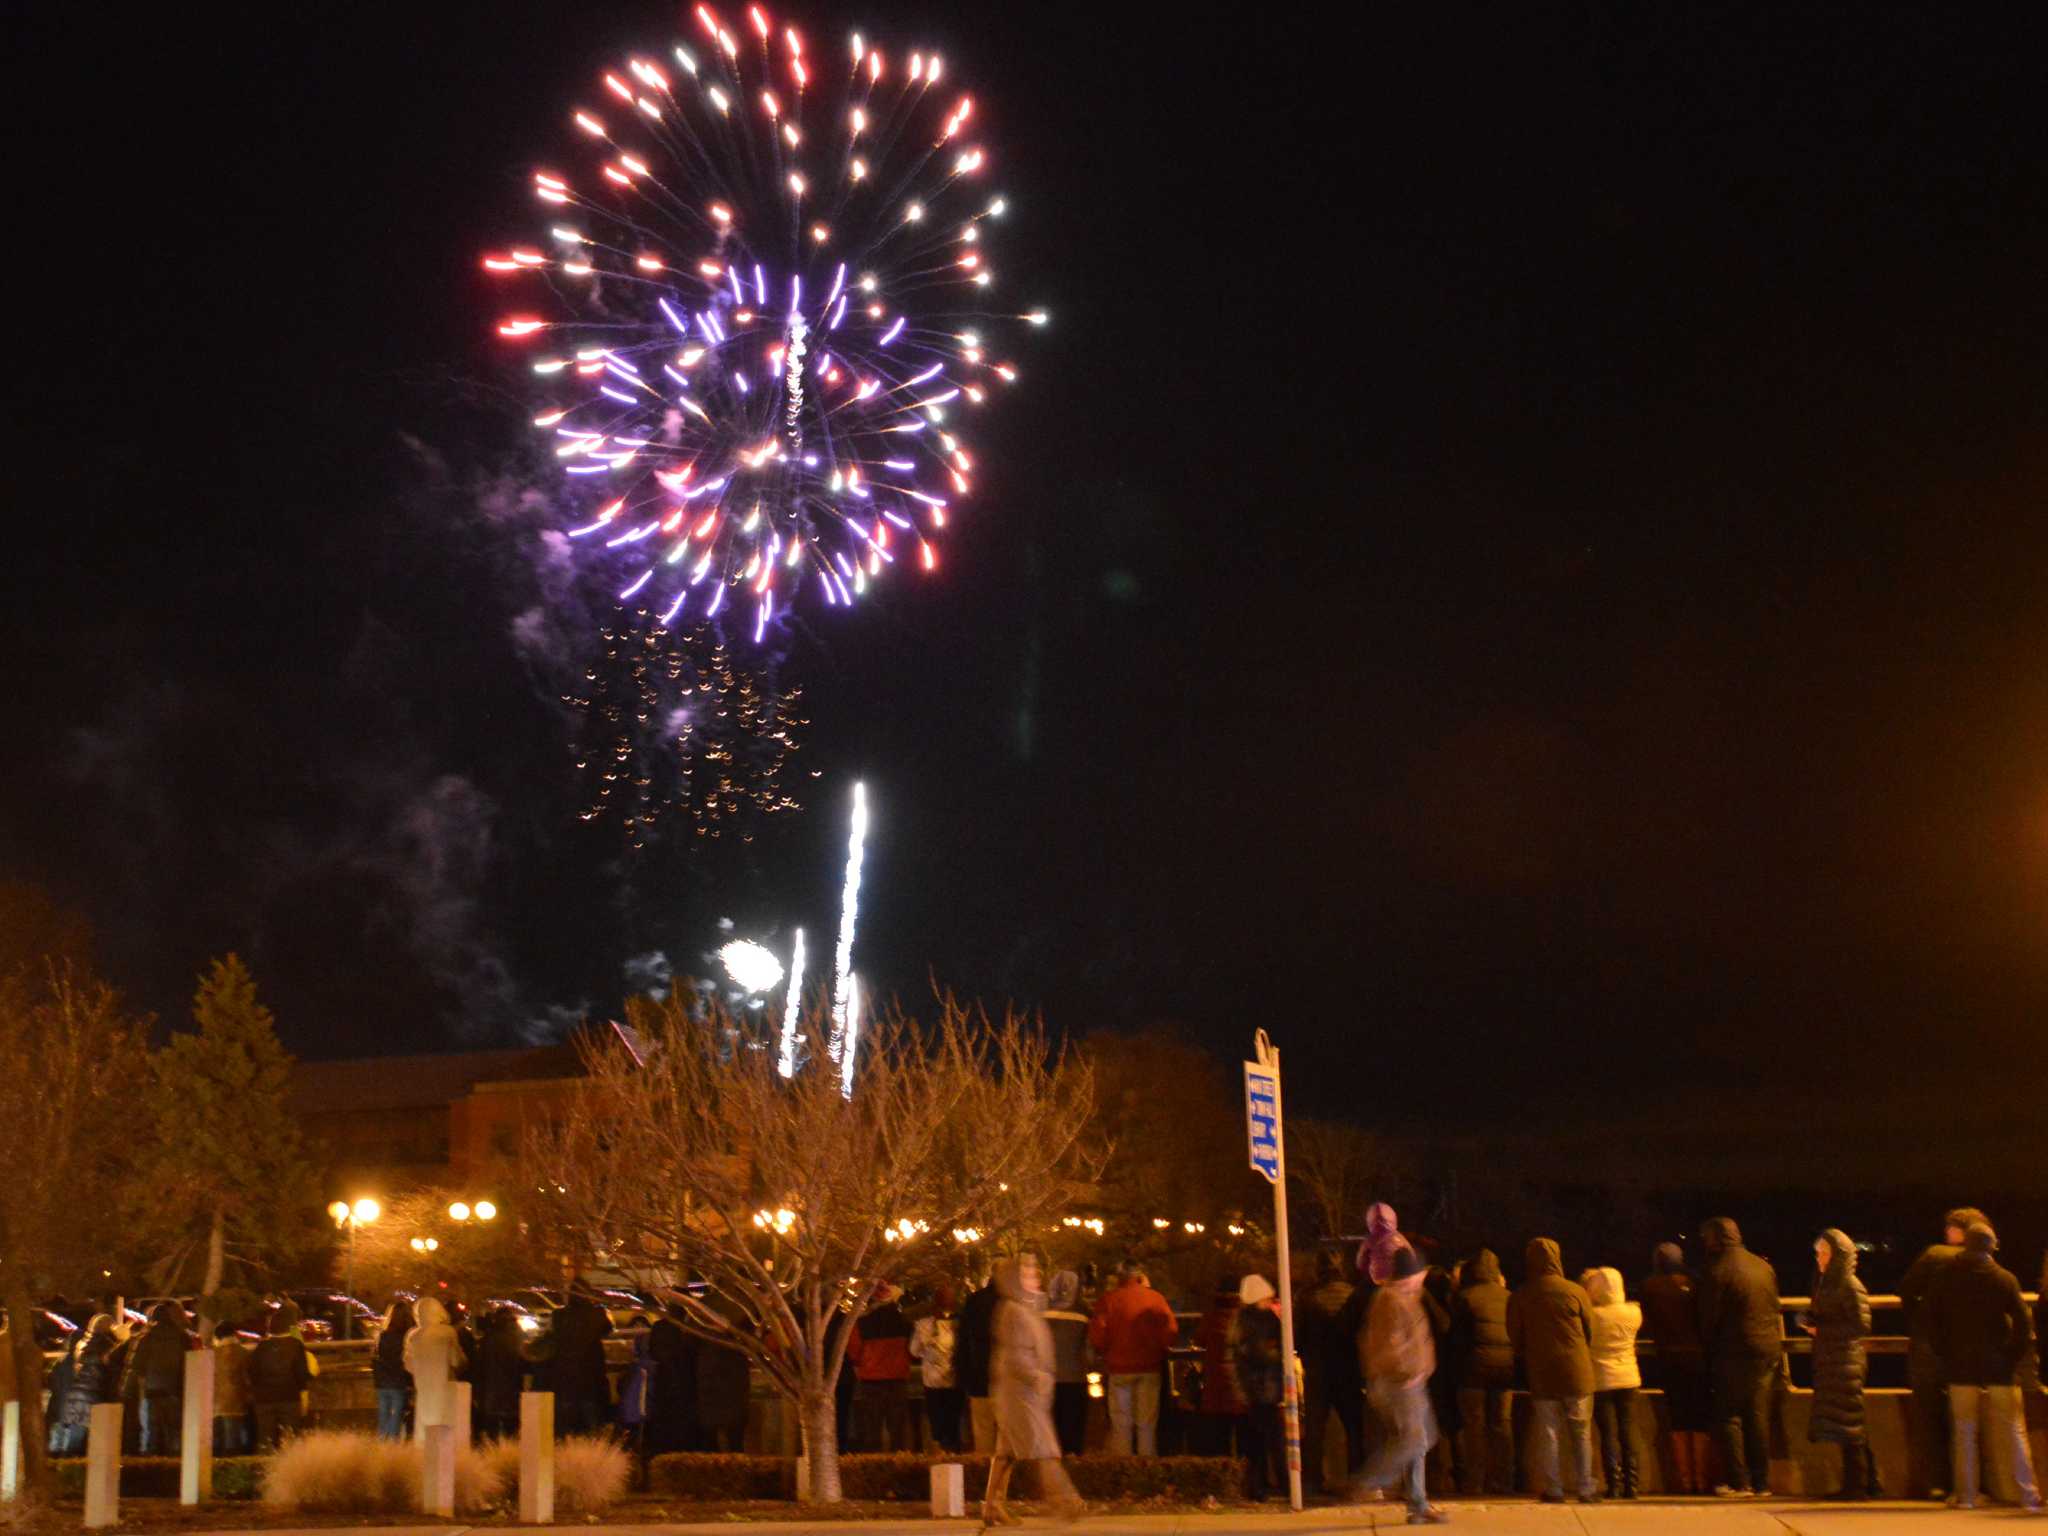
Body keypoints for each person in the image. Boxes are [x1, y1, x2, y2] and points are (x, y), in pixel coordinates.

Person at [1924, 1220, 2040, 1512]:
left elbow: (1931, 1320)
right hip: (2000, 1367)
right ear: (1992, 1248)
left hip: (1960, 1365)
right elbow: (2024, 1327)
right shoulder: (2004, 1279)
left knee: (1964, 1430)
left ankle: (1967, 1497)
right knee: (2014, 1429)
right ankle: (2029, 1496)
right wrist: (2010, 1357)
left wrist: (1945, 1353)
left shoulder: (1945, 1276)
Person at [983, 1255, 1083, 1526]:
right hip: (1019, 1393)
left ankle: (993, 1506)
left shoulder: (1021, 1309)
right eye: (1027, 1274)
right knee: (1044, 1449)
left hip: (1023, 1392)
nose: (1035, 1278)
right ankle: (1065, 1500)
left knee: (1007, 1453)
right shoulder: (1013, 1312)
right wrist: (1038, 1377)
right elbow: (1016, 1356)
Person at [1898, 1205, 1986, 1500]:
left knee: (1929, 1416)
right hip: (1966, 1348)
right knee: (1965, 1417)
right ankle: (1972, 1484)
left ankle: (1937, 1483)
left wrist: (1919, 1319)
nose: (1946, 1231)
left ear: (1960, 1230)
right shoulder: (1983, 1261)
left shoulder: (1935, 1255)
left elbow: (1907, 1289)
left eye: (1950, 1226)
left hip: (1928, 1347)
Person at [1355, 1249, 1450, 1524]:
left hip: (1412, 1380)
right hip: (1400, 1382)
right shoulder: (1390, 1300)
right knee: (1415, 1439)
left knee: (1419, 1440)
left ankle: (1417, 1505)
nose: (1423, 1278)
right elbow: (1389, 1345)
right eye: (1420, 1273)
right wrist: (1408, 1371)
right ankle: (1371, 1481)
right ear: (1411, 1275)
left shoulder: (1406, 1298)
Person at [1508, 1237, 1598, 1504]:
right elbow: (1590, 1331)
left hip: (1542, 1373)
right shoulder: (1575, 1292)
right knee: (1581, 1432)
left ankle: (1554, 1488)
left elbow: (1516, 1338)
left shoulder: (1521, 1296)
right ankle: (1585, 1487)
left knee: (1549, 1432)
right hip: (1577, 1372)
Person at [1695, 1217, 1780, 1499]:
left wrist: (1707, 1349)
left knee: (1729, 1416)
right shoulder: (1763, 1266)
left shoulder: (1717, 1270)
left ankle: (1738, 1481)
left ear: (1714, 1239)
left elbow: (1709, 1318)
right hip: (1767, 1349)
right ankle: (1762, 1482)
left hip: (1732, 1351)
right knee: (1757, 1416)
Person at [1798, 1229, 1880, 1500]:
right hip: (1833, 1360)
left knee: (1850, 1423)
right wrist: (1806, 1319)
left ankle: (1858, 1486)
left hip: (1846, 1360)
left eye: (1824, 1253)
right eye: (1817, 1253)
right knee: (1849, 1422)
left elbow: (1860, 1325)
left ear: (1837, 1256)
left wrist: (1822, 1330)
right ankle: (1866, 1483)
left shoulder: (1849, 1284)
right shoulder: (1826, 1283)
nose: (1819, 1258)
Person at [1639, 1243, 1709, 1493]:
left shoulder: (1649, 1287)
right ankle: (1701, 1479)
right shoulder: (1694, 1284)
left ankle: (1685, 1479)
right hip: (1698, 1358)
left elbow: (1645, 1322)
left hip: (1668, 1358)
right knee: (1700, 1421)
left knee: (1677, 1421)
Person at [1088, 1262, 1178, 1456]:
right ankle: (1146, 1467)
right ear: (1140, 1276)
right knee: (1146, 1423)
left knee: (1121, 1424)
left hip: (1119, 1368)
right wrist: (1158, 1348)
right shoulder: (1155, 1298)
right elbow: (1170, 1331)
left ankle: (1124, 1469)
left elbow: (1097, 1335)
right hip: (1150, 1367)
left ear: (1120, 1278)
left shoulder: (1109, 1300)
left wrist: (1106, 1351)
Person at [1448, 1248, 1515, 1495]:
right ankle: (1503, 1480)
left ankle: (1474, 1482)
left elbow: (1456, 1339)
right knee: (1501, 1425)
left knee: (1474, 1426)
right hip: (1506, 1370)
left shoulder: (1465, 1297)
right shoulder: (1509, 1296)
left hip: (1473, 1371)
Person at [1297, 1250, 1363, 1495]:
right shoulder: (1353, 1295)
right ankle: (1357, 1478)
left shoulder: (1307, 1297)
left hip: (1318, 1371)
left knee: (1315, 1430)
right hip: (1348, 1370)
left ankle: (1313, 1479)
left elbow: (1298, 1336)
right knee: (1354, 1428)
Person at [1581, 1268, 1642, 1499]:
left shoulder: (1593, 1315)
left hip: (1602, 1380)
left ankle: (1614, 1484)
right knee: (1628, 1431)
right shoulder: (1634, 1313)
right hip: (1629, 1378)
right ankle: (1632, 1484)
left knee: (1608, 1434)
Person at [1229, 1275, 1285, 1502]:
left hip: (1255, 1389)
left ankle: (1260, 1486)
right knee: (1272, 1439)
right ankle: (1278, 1485)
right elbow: (1261, 1352)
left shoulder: (1242, 1320)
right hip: (1264, 1388)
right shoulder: (1260, 1320)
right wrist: (1277, 1353)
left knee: (1259, 1441)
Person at [850, 1283, 914, 1451]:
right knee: (898, 1429)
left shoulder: (862, 1322)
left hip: (871, 1379)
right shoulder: (905, 1322)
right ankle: (900, 1464)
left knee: (872, 1428)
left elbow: (854, 1350)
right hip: (898, 1378)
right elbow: (913, 1350)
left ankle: (874, 1465)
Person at [124, 1301, 193, 1456]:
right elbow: (189, 1362)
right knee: (174, 1430)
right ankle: (174, 1462)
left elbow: (136, 1366)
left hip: (150, 1390)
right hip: (174, 1390)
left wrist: (128, 1389)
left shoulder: (145, 1338)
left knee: (150, 1430)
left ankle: (150, 1463)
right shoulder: (182, 1337)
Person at [547, 1286, 615, 1435]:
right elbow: (608, 1329)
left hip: (566, 1379)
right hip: (591, 1379)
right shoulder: (597, 1314)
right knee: (593, 1424)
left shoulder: (559, 1316)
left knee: (566, 1427)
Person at [1191, 1277, 1246, 1458]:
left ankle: (1223, 1474)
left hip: (1216, 1387)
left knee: (1219, 1440)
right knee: (1245, 1441)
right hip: (1241, 1387)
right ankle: (1249, 1478)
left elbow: (1198, 1340)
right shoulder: (1245, 1318)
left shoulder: (1211, 1317)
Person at [249, 1309, 313, 1448]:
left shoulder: (261, 1347)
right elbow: (301, 1373)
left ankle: (265, 1465)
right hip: (289, 1397)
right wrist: (303, 1392)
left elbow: (252, 1373)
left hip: (264, 1399)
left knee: (266, 1440)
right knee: (291, 1438)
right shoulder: (296, 1345)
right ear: (288, 1327)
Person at [911, 1285, 963, 1452]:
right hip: (955, 1380)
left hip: (932, 1381)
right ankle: (953, 1451)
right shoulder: (960, 1324)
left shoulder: (923, 1325)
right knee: (953, 1421)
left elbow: (914, 1350)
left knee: (937, 1421)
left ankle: (940, 1450)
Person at [1045, 1271, 1092, 1456]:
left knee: (1051, 1426)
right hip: (1075, 1377)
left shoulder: (1042, 1310)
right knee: (1073, 1427)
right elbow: (1089, 1348)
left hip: (1048, 1378)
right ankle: (1073, 1460)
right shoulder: (1083, 1311)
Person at [404, 1296, 462, 1439]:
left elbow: (408, 1365)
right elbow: (456, 1360)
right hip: (443, 1388)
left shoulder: (413, 1335)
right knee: (443, 1430)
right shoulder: (448, 1332)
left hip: (423, 1388)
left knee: (423, 1429)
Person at [958, 1270, 1001, 1454]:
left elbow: (963, 1342)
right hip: (1009, 1382)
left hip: (979, 1378)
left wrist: (964, 1375)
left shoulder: (974, 1301)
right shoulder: (1015, 1303)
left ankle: (984, 1473)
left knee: (983, 1431)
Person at [471, 1305, 528, 1441]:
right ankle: (510, 1455)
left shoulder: (489, 1338)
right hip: (513, 1390)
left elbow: (479, 1367)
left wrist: (477, 1391)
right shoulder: (519, 1337)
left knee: (492, 1431)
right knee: (512, 1430)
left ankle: (493, 1454)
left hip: (491, 1392)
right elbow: (524, 1364)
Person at [644, 1302, 695, 1454]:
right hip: (684, 1381)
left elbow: (652, 1351)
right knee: (681, 1421)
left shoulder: (659, 1327)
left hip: (663, 1379)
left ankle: (663, 1450)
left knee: (663, 1420)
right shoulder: (688, 1329)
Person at [372, 1298, 415, 1440]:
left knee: (383, 1417)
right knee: (396, 1417)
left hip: (382, 1383)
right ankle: (392, 1448)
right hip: (399, 1383)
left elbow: (375, 1359)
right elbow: (407, 1361)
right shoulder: (406, 1337)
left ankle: (382, 1446)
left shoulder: (382, 1336)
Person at [211, 1330, 251, 1455]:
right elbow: (248, 1378)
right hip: (235, 1402)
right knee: (232, 1441)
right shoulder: (243, 1352)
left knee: (216, 1443)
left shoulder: (211, 1354)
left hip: (214, 1404)